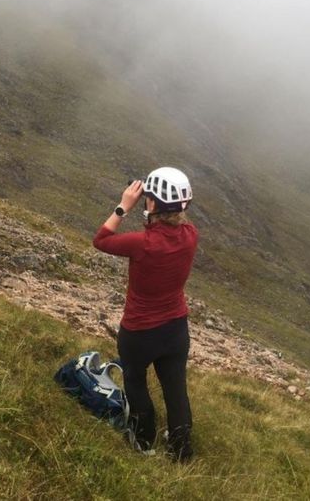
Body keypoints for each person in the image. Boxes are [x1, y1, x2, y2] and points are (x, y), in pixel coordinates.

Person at [92, 167, 198, 462]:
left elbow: (101, 239)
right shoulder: (190, 234)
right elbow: (172, 219)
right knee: (175, 386)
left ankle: (144, 439)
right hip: (176, 329)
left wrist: (124, 205)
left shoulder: (141, 243)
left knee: (136, 381)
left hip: (139, 331)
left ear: (151, 204)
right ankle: (180, 448)